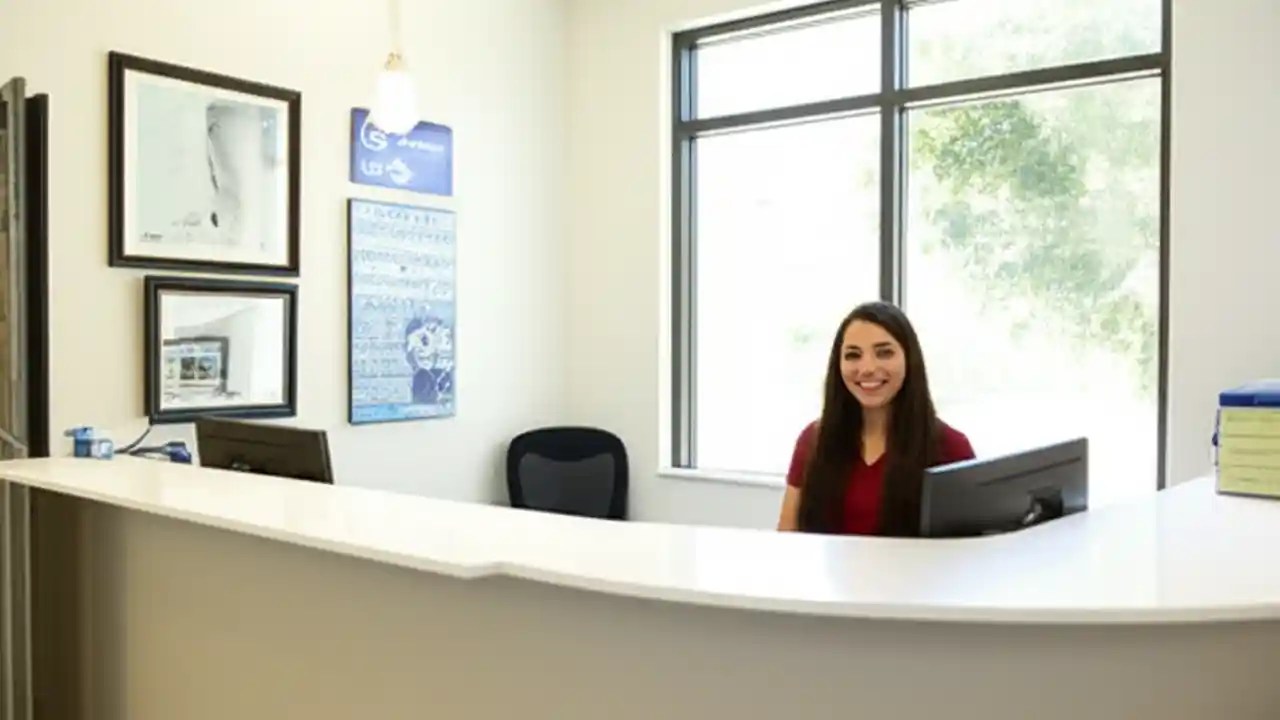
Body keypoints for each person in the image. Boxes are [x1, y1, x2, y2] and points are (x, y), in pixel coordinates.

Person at [777, 301, 975, 537]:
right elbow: (787, 541)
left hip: (914, 574)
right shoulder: (813, 440)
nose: (867, 367)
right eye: (853, 355)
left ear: (909, 359)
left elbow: (970, 553)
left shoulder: (951, 447)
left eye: (884, 353)